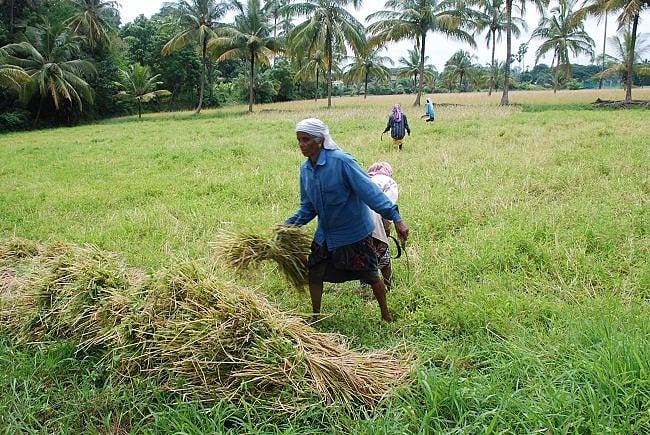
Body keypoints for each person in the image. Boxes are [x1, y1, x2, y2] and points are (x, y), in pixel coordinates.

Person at [283, 118, 409, 322]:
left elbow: (371, 193)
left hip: (354, 233)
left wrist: (396, 218)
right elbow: (308, 208)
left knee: (371, 275)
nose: (301, 145)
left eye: (306, 140)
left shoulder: (342, 162)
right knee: (314, 272)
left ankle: (385, 314)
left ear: (320, 140)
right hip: (326, 234)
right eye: (299, 140)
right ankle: (315, 316)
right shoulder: (305, 170)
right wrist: (286, 226)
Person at [367, 162, 399, 292]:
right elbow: (387, 210)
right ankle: (389, 286)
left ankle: (364, 285)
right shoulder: (389, 183)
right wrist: (385, 233)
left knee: (362, 254)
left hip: (356, 222)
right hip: (373, 220)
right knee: (383, 255)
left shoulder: (366, 180)